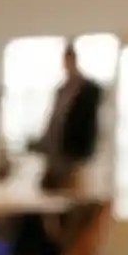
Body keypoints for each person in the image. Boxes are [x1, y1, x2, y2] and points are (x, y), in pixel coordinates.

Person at [37, 44, 102, 191]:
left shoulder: (89, 90)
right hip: (56, 151)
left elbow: (88, 125)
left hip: (75, 154)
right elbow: (54, 119)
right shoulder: (61, 89)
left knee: (74, 191)